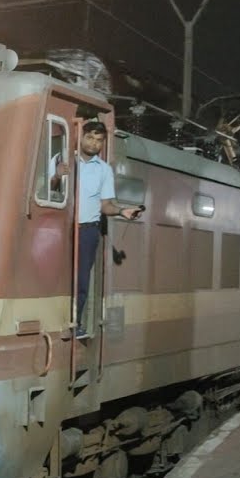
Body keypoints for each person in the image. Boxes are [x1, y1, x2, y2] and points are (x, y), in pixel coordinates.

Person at [56, 121, 142, 338]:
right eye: (90, 138)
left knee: (82, 280)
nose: (94, 143)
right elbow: (43, 188)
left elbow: (106, 205)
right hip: (59, 228)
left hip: (87, 231)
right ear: (80, 136)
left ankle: (75, 324)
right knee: (58, 277)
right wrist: (57, 175)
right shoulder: (61, 159)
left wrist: (122, 211)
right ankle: (54, 320)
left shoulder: (104, 170)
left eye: (99, 140)